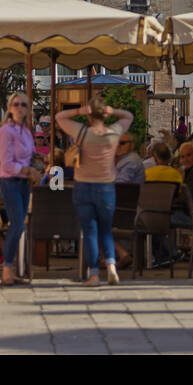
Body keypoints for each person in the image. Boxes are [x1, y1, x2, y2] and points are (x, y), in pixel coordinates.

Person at [55, 96, 134, 286]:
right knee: (106, 230)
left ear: (90, 115)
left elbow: (60, 117)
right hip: (106, 187)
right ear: (104, 115)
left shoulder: (81, 132)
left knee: (90, 231)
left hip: (83, 186)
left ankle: (94, 274)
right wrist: (112, 110)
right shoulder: (114, 132)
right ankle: (112, 267)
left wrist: (80, 111)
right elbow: (128, 116)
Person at [0, 93, 41, 286]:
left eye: (23, 104)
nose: (20, 107)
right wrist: (28, 169)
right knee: (16, 225)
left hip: (24, 182)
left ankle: (12, 269)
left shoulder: (25, 131)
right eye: (16, 104)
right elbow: (6, 164)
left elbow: (30, 154)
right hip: (11, 181)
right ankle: (7, 270)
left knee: (19, 225)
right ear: (10, 107)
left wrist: (40, 162)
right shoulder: (6, 131)